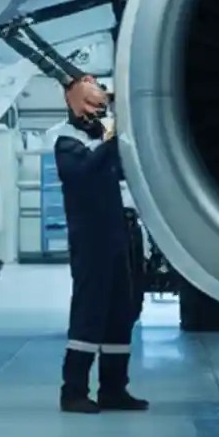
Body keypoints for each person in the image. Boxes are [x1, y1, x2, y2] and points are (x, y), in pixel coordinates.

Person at [51, 75, 149, 414]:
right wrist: (115, 137)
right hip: (92, 238)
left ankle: (114, 388)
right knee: (90, 310)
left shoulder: (103, 139)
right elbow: (85, 171)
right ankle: (73, 391)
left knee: (122, 310)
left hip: (121, 233)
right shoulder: (67, 141)